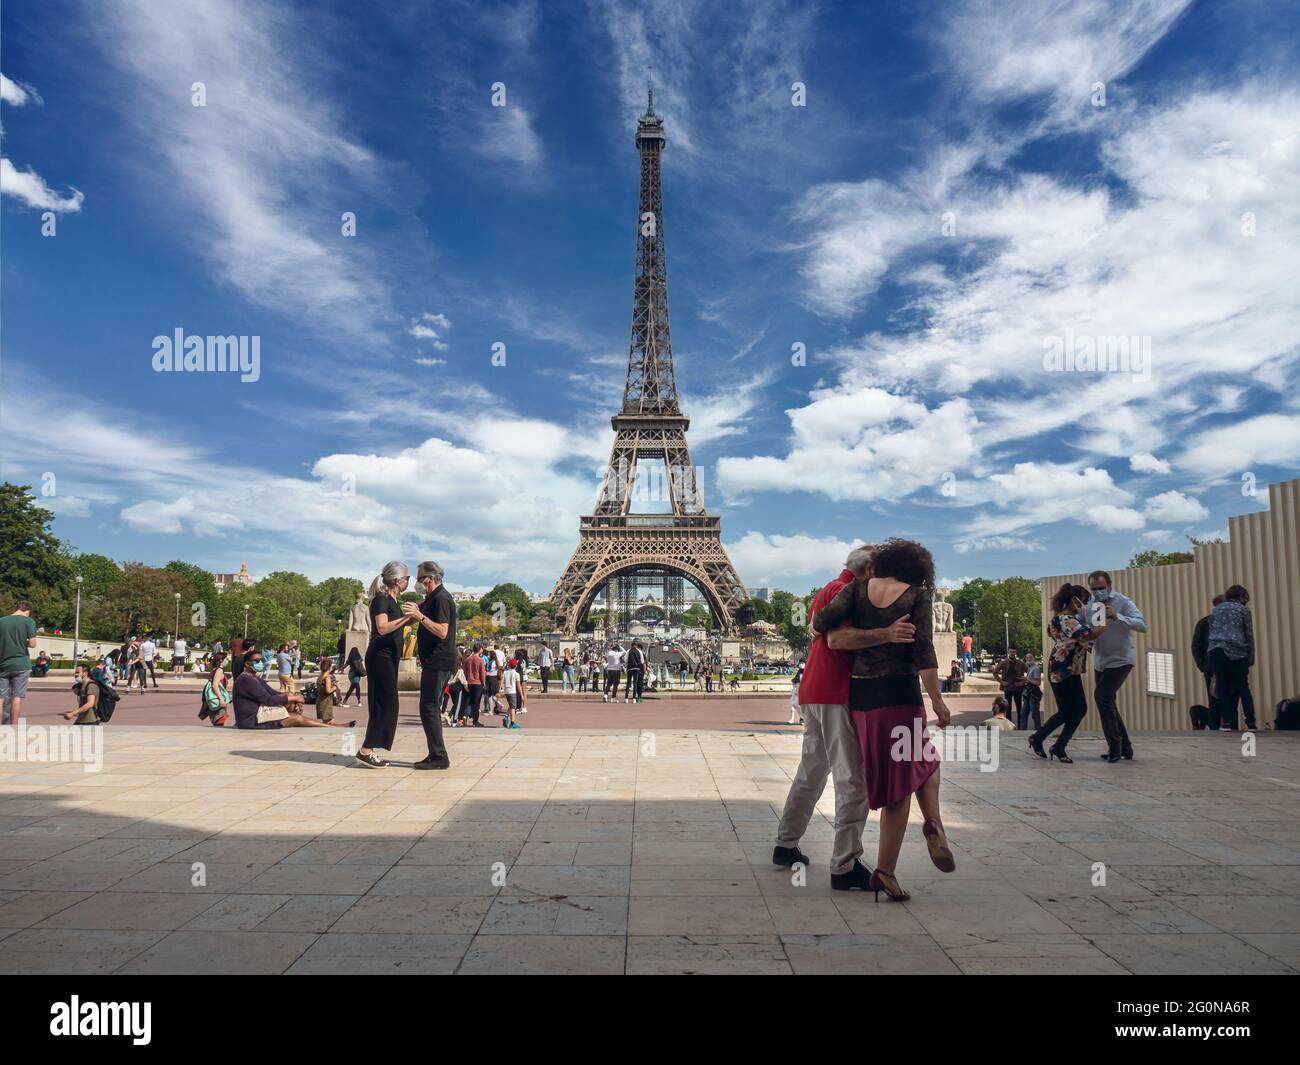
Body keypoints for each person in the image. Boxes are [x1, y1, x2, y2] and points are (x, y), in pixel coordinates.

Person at [775, 543, 926, 894]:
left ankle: (785, 844)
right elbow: (839, 640)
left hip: (815, 690)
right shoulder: (845, 591)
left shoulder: (829, 588)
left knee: (811, 773)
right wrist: (887, 634)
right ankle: (844, 865)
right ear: (870, 570)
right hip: (835, 693)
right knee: (852, 782)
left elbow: (820, 630)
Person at [812, 538, 954, 902]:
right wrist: (937, 699)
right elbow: (924, 651)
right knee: (909, 775)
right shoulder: (917, 596)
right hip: (901, 697)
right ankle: (892, 864)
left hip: (862, 698)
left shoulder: (857, 589)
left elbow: (820, 623)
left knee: (911, 768)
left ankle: (922, 834)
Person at [1029, 584, 1107, 763]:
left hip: (1068, 668)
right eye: (1085, 601)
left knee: (1076, 709)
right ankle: (1049, 742)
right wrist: (1106, 620)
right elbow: (1087, 635)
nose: (1085, 605)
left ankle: (1050, 742)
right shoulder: (1066, 618)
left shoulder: (1062, 618)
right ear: (1075, 600)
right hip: (1063, 668)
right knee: (1072, 710)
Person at [357, 562, 417, 767]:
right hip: (380, 657)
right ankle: (366, 750)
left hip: (388, 657)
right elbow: (382, 628)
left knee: (385, 703)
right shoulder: (381, 599)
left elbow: (397, 624)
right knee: (386, 704)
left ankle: (368, 748)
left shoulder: (392, 600)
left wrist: (417, 617)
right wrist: (407, 618)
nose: (409, 581)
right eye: (407, 578)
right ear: (397, 580)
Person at [1085, 570, 1147, 762]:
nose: (1098, 592)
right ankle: (1125, 748)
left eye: (1101, 588)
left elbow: (1142, 625)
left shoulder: (1123, 602)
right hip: (1100, 661)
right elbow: (1091, 628)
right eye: (1094, 589)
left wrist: (1118, 616)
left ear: (1109, 585)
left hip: (1121, 660)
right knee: (1108, 702)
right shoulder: (1091, 605)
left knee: (1102, 697)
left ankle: (1115, 747)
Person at [406, 560, 457, 769]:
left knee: (429, 707)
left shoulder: (442, 599)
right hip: (434, 661)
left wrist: (420, 617)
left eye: (419, 579)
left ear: (431, 578)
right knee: (428, 707)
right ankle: (435, 754)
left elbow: (443, 632)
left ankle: (439, 756)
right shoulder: (431, 598)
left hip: (439, 660)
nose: (417, 583)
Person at [231, 647, 336, 730]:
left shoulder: (253, 677)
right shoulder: (245, 680)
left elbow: (273, 693)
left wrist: (293, 697)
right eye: (257, 660)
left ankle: (294, 720)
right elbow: (268, 699)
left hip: (259, 713)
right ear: (247, 664)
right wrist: (294, 698)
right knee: (297, 717)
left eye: (261, 660)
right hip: (251, 720)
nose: (260, 662)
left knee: (291, 701)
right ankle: (330, 727)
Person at [1208, 585, 1256, 732]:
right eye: (1245, 599)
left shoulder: (1216, 610)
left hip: (1216, 650)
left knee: (1222, 686)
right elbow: (1248, 633)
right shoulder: (1243, 610)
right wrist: (1251, 655)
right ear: (1241, 597)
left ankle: (1226, 722)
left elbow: (1212, 629)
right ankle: (1251, 723)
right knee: (1242, 687)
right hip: (1237, 651)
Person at [0, 602, 38, 726]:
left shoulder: (1, 621)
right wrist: (23, 641)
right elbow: (32, 644)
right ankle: (14, 726)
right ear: (27, 611)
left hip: (3, 665)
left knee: (1, 698)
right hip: (21, 664)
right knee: (17, 697)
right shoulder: (29, 621)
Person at [1192, 594, 1226, 726]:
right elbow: (1196, 645)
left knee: (1231, 700)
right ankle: (1215, 728)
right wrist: (1203, 666)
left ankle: (1229, 725)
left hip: (1230, 667)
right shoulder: (1204, 623)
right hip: (1211, 668)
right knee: (1214, 700)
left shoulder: (1232, 623)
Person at [993, 647, 1026, 723]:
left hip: (1018, 688)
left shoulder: (1020, 663)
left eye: (1014, 651)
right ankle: (1009, 725)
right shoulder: (1004, 662)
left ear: (1016, 652)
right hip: (1008, 688)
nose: (1012, 653)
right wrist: (1001, 681)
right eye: (1011, 651)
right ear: (1008, 652)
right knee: (1007, 708)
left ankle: (1020, 725)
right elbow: (995, 672)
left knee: (1019, 708)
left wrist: (1023, 682)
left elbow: (1029, 671)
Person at [201, 652, 233, 726]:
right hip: (217, 699)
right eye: (226, 658)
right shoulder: (219, 670)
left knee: (217, 721)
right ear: (221, 660)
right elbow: (215, 685)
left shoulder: (214, 669)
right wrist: (221, 699)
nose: (227, 660)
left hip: (214, 699)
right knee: (219, 721)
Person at [461, 644, 485, 727]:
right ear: (479, 650)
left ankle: (465, 716)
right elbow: (482, 673)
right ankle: (475, 721)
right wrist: (484, 684)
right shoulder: (480, 660)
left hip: (469, 683)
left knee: (468, 702)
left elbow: (464, 671)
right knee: (476, 703)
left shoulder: (467, 660)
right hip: (477, 683)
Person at [1020, 652, 1043, 731]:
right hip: (1028, 693)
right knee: (1023, 713)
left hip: (1033, 694)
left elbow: (1038, 683)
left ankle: (1038, 731)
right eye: (1027, 658)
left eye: (1030, 657)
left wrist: (1027, 679)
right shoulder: (1030, 667)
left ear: (1034, 658)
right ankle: (1022, 732)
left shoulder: (1035, 668)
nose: (1028, 659)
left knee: (1035, 714)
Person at [501, 658, 522, 729]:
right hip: (512, 691)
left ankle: (506, 717)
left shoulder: (505, 672)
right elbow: (518, 686)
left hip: (506, 691)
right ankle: (512, 723)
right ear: (516, 666)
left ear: (509, 665)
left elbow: (502, 680)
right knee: (513, 707)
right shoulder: (517, 674)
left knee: (511, 705)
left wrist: (500, 689)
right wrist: (521, 694)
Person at [788, 661, 804, 726]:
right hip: (795, 693)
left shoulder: (808, 673)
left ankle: (802, 719)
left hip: (802, 694)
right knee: (793, 707)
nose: (801, 665)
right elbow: (794, 682)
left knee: (801, 708)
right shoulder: (798, 674)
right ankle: (792, 719)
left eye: (802, 663)